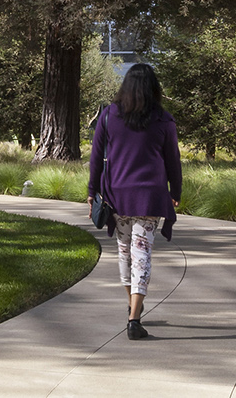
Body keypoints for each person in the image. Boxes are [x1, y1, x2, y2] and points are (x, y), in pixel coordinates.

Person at [87, 62, 182, 341]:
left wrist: (92, 190)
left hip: (117, 196)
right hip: (150, 198)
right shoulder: (163, 120)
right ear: (154, 89)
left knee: (125, 253)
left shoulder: (109, 116)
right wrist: (175, 191)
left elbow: (96, 157)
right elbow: (173, 160)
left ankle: (133, 306)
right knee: (142, 254)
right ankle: (134, 318)